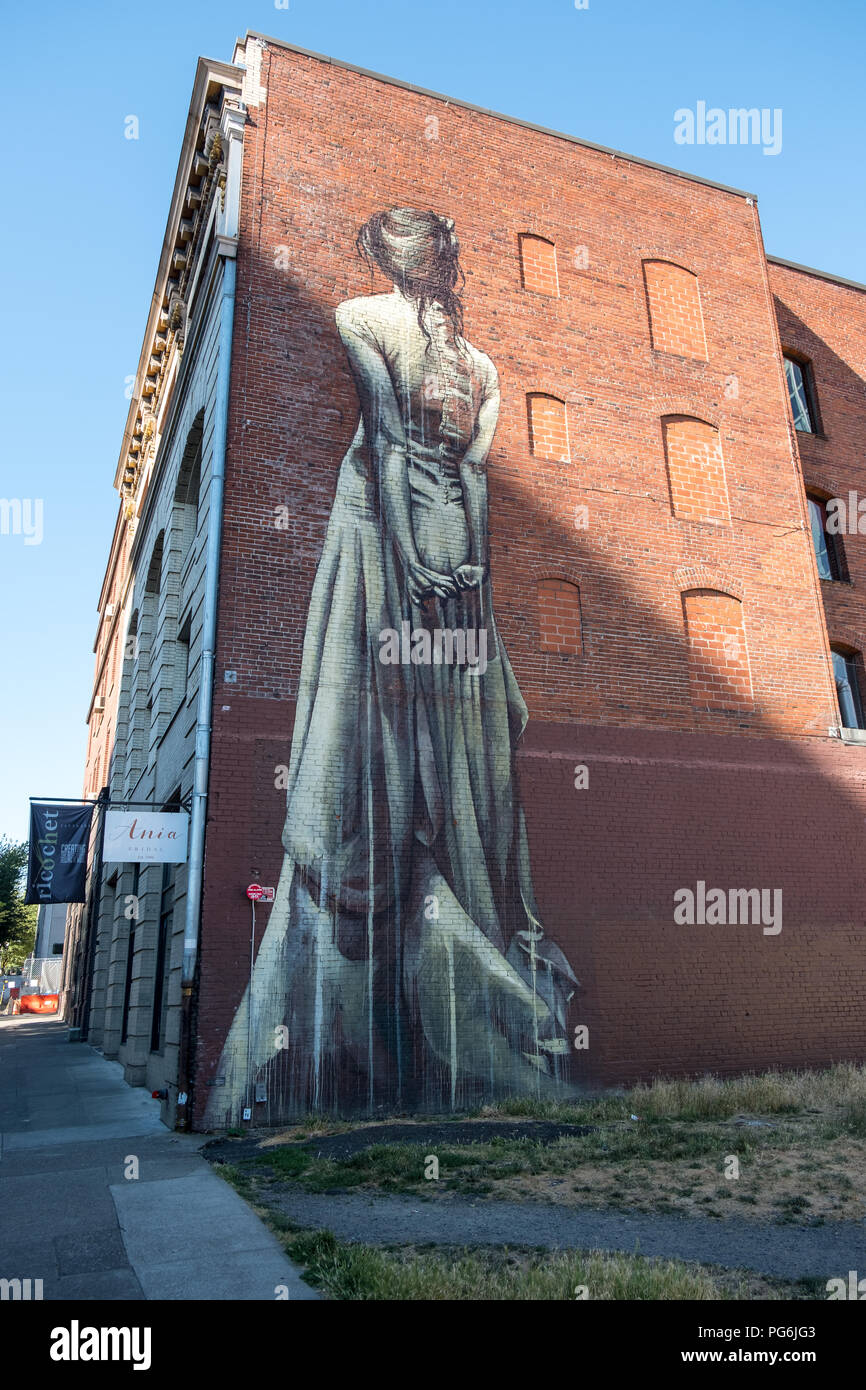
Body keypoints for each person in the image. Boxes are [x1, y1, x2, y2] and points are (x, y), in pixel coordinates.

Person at [207, 209, 578, 1124]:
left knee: (408, 723)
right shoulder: (433, 350)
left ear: (399, 256)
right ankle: (414, 919)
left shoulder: (384, 327)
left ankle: (407, 956)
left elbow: (409, 450)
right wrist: (454, 574)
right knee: (415, 725)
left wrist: (436, 569)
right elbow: (440, 463)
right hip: (417, 542)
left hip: (401, 541)